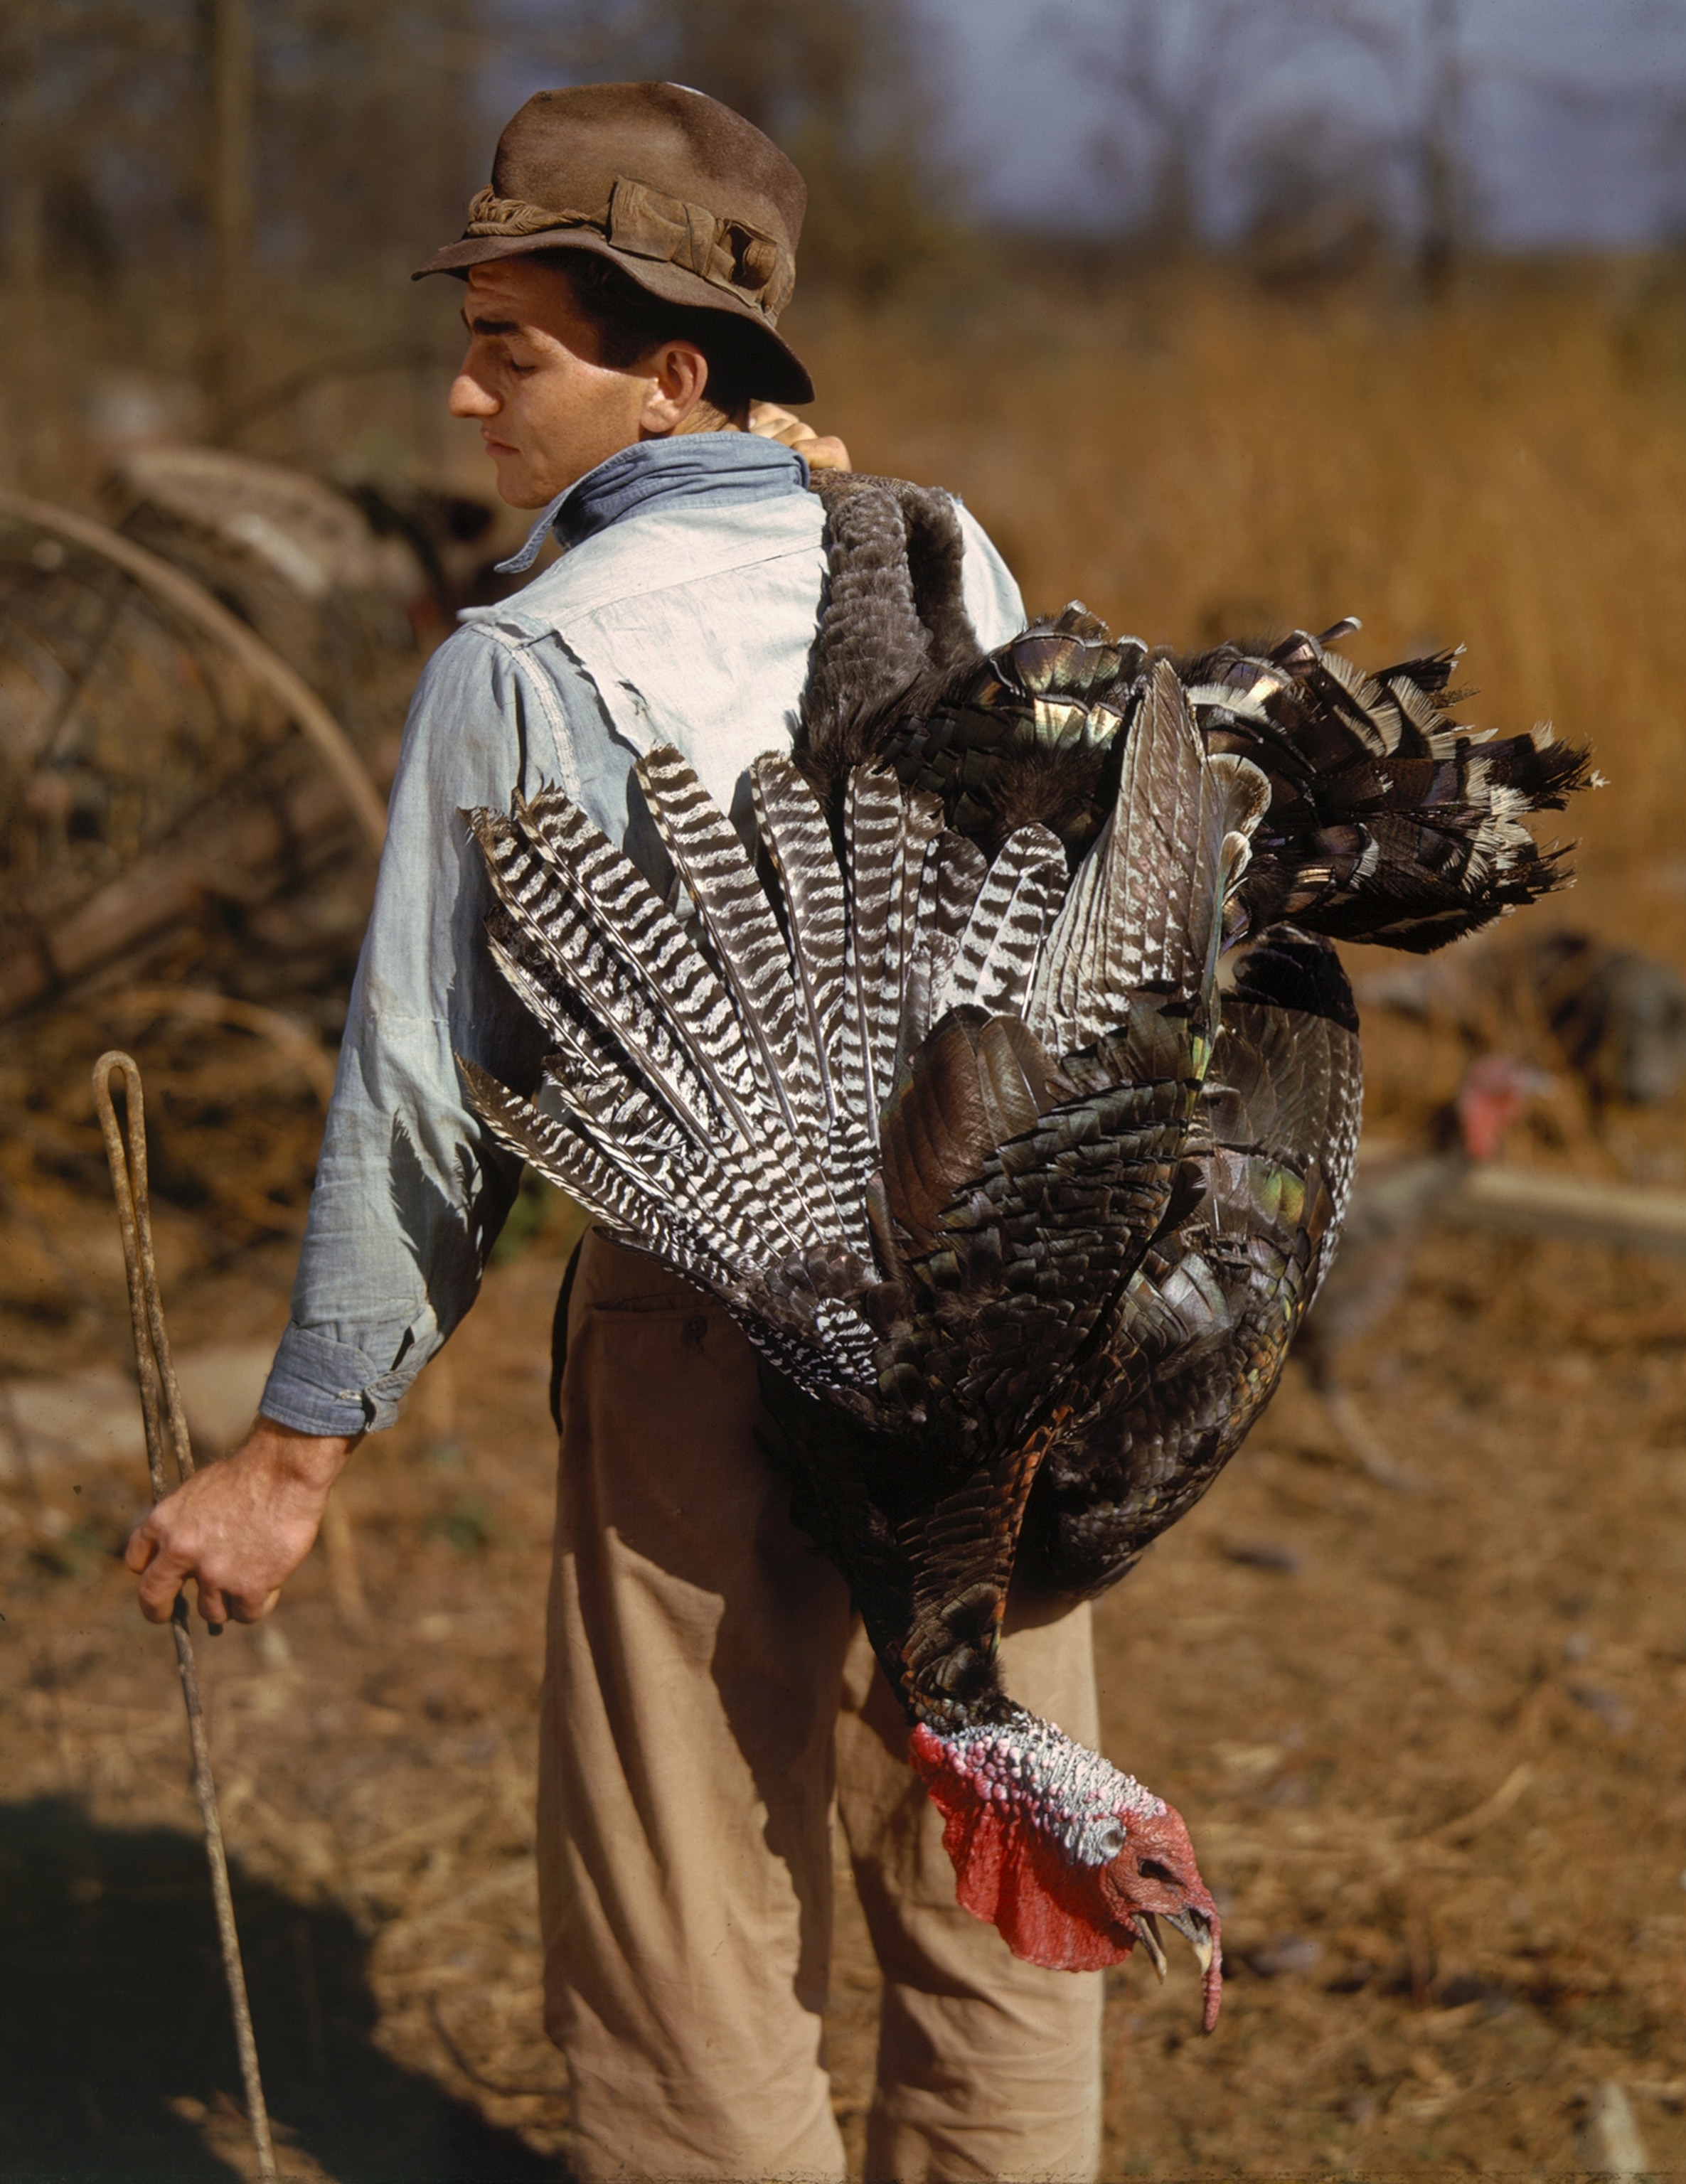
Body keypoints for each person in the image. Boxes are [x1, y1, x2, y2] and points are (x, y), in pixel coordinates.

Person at [125, 81, 1104, 2182]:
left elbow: (423, 1088)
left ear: (670, 373)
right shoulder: (952, 556)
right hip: (1003, 1310)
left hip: (708, 1311)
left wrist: (295, 1458)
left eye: (512, 345)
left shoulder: (531, 654)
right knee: (998, 1847)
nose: (463, 391)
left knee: (685, 1910)